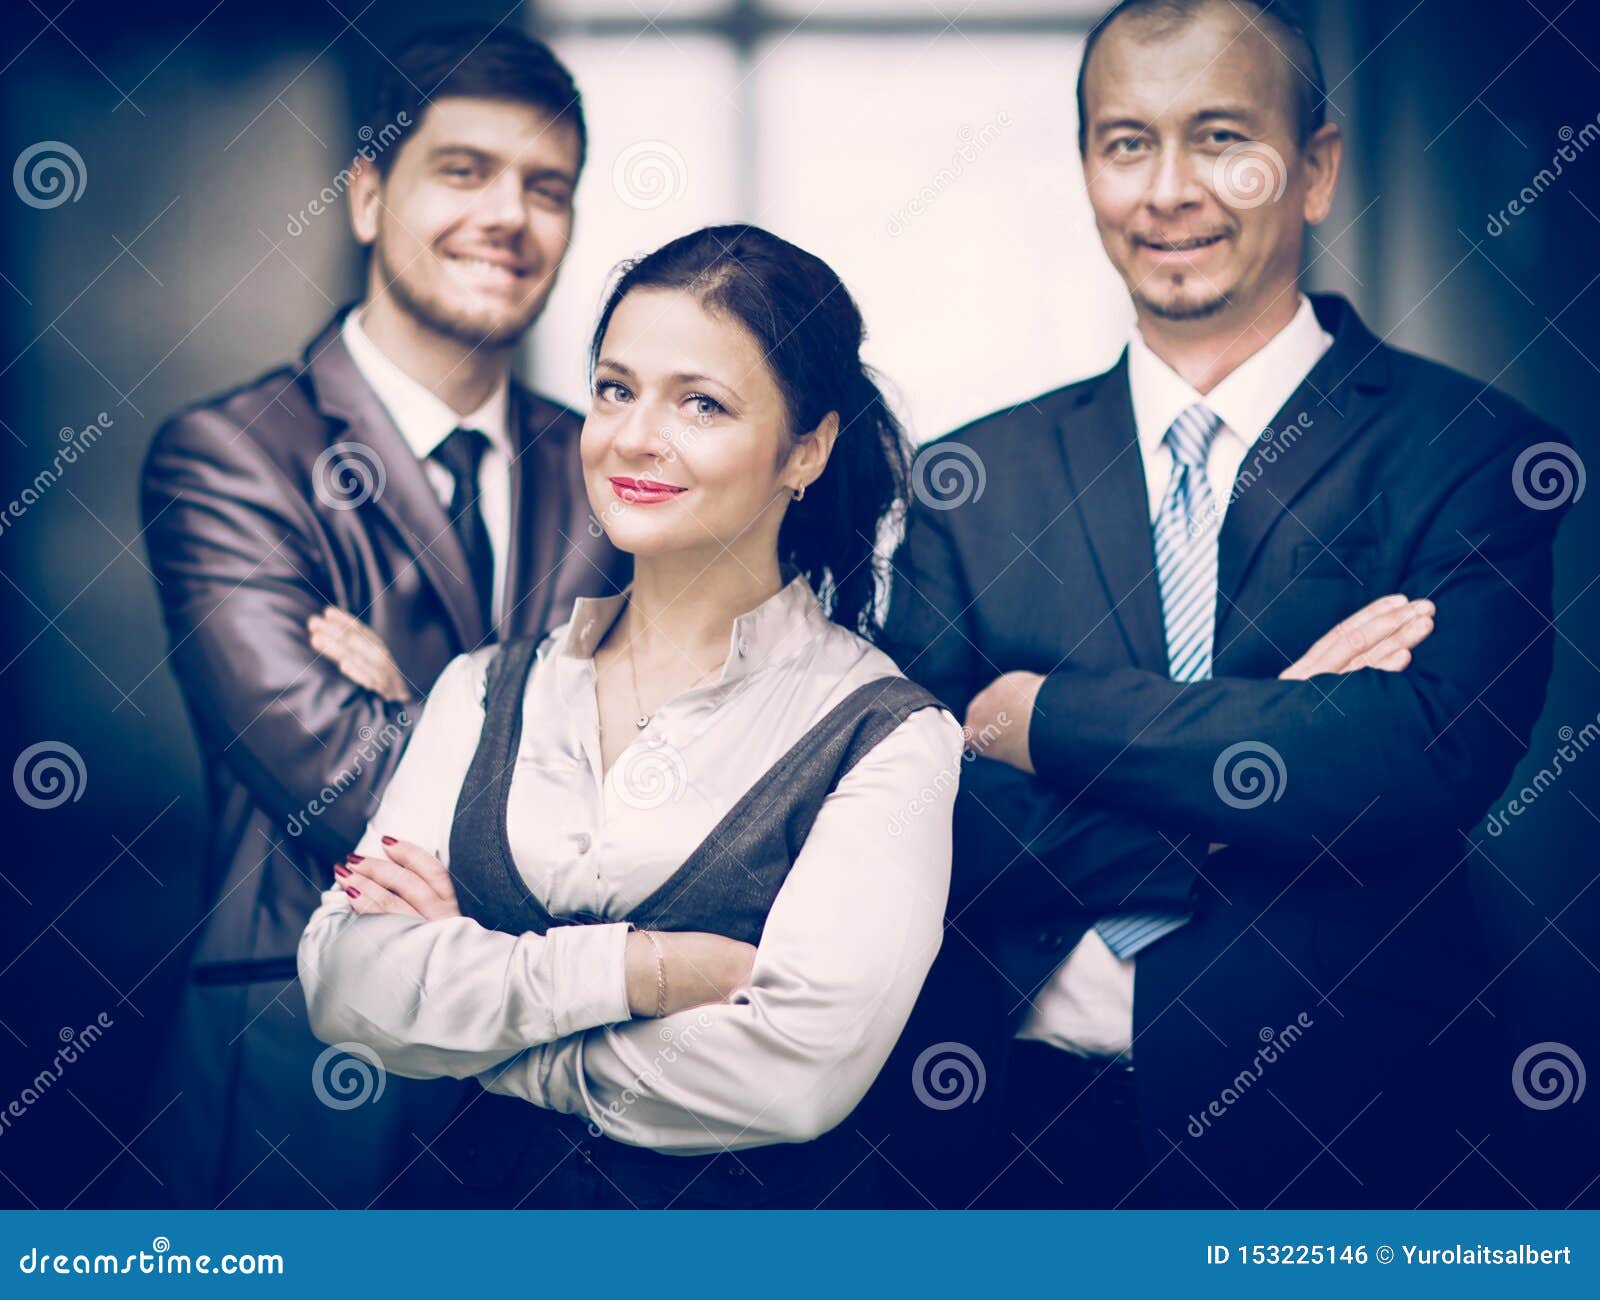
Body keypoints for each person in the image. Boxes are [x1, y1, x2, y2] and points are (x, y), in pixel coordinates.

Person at [879, 0, 1574, 1208]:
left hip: (1363, 1142)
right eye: (1125, 142)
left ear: (1313, 169)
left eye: (1219, 138)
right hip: (1014, 1147)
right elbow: (918, 826)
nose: (1168, 190)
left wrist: (1047, 720)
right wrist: (1269, 746)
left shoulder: (1473, 453)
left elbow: (1417, 765)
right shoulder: (967, 485)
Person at [298, 224, 965, 1210]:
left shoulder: (888, 733)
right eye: (615, 388)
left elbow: (792, 1073)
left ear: (807, 449)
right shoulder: (482, 687)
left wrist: (483, 1043)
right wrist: (641, 969)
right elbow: (344, 978)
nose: (633, 436)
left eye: (701, 402)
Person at [135, 26, 626, 1208]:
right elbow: (347, 793)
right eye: (463, 170)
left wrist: (424, 707)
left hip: (562, 1101)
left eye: (544, 187)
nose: (508, 214)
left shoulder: (613, 471)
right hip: (307, 1078)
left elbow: (697, 774)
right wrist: (561, 755)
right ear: (366, 197)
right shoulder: (233, 460)